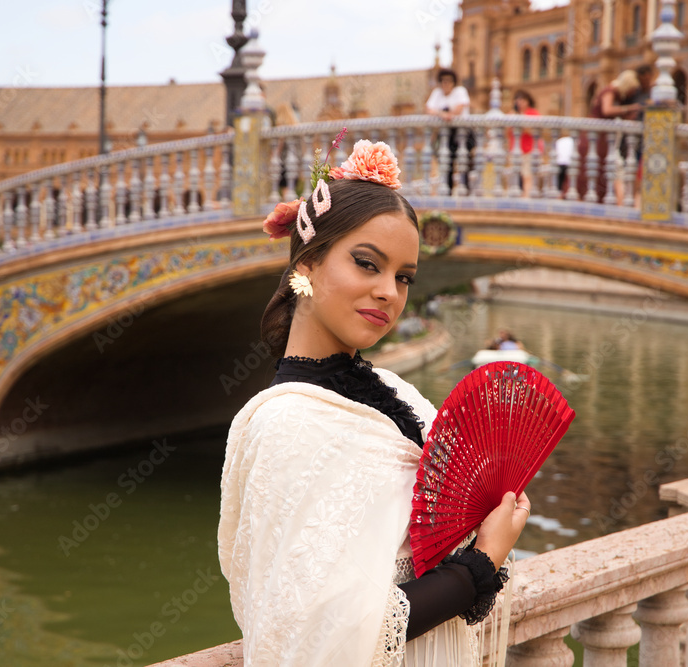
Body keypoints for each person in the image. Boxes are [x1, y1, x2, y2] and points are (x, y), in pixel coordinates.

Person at [219, 139, 531, 666]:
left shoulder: (401, 393)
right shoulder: (285, 424)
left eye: (404, 276)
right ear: (309, 264)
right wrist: (479, 564)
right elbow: (316, 635)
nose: (389, 291)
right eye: (368, 264)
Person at [576, 69, 642, 202]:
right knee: (588, 171)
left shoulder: (617, 96)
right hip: (595, 137)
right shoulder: (610, 91)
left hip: (604, 139)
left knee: (602, 171)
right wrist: (630, 108)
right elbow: (607, 110)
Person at [426, 68, 474, 194]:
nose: (445, 84)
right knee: (447, 163)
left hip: (462, 132)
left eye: (448, 81)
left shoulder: (460, 91)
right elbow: (429, 109)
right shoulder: (437, 93)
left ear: (453, 82)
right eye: (443, 81)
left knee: (464, 162)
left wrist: (444, 113)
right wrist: (443, 114)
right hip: (446, 133)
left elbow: (458, 110)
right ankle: (448, 191)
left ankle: (466, 190)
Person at [508, 90, 543, 196]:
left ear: (528, 101)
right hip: (515, 150)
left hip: (529, 150)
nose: (519, 103)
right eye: (517, 100)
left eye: (522, 100)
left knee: (527, 176)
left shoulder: (532, 113)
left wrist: (519, 120)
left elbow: (534, 131)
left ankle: (526, 198)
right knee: (514, 177)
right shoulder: (513, 113)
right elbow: (508, 133)